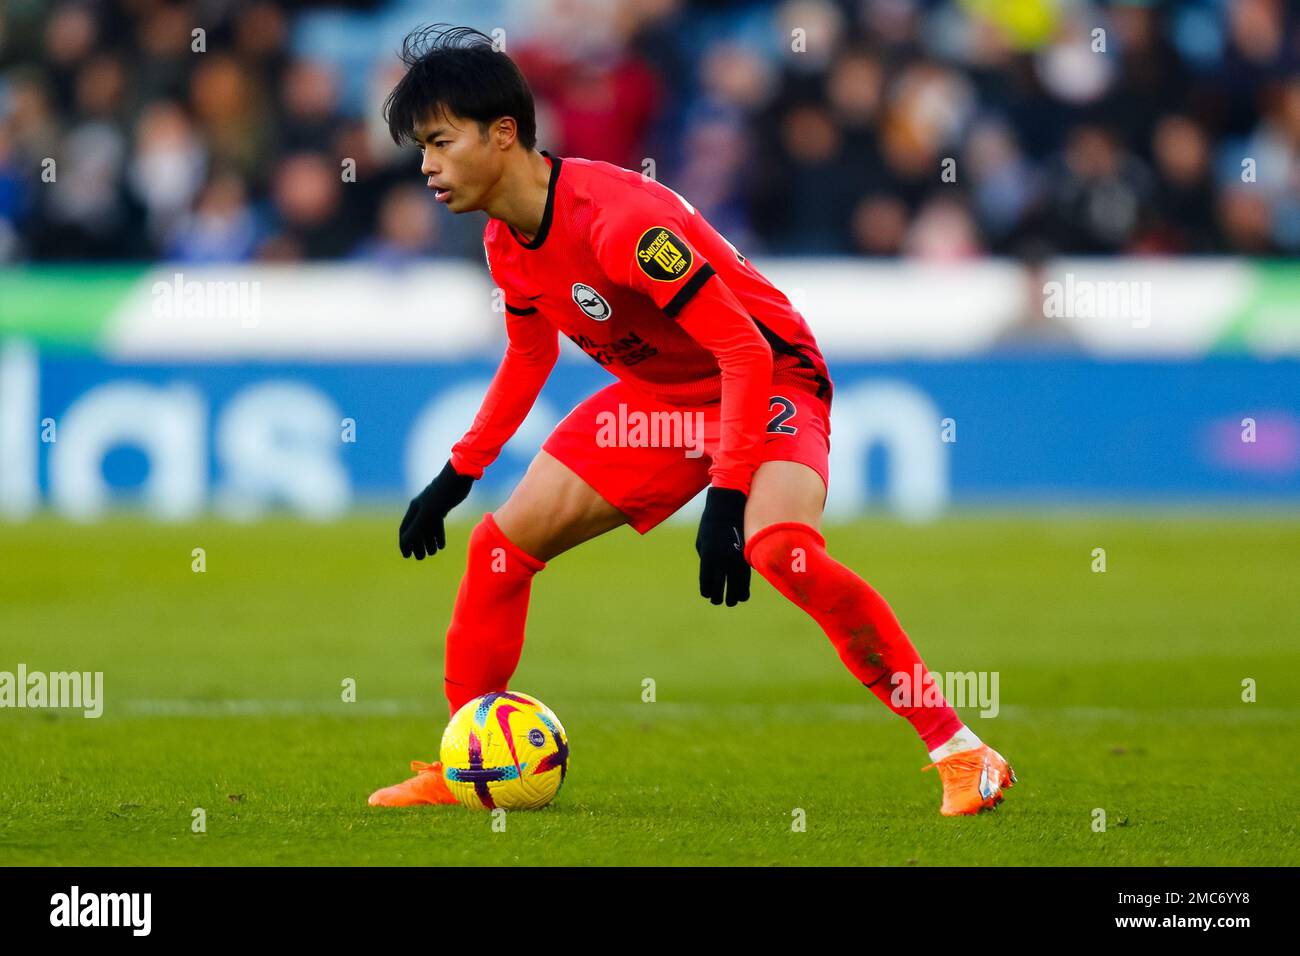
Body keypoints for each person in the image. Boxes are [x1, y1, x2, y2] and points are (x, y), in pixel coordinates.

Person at [368, 25, 1014, 816]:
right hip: (664, 400)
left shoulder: (620, 224)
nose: (426, 165)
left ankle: (960, 750)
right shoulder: (505, 238)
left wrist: (726, 498)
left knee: (783, 551)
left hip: (769, 377)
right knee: (500, 548)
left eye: (438, 141)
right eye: (420, 147)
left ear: (503, 134)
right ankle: (464, 762)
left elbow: (742, 350)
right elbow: (527, 357)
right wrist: (458, 473)